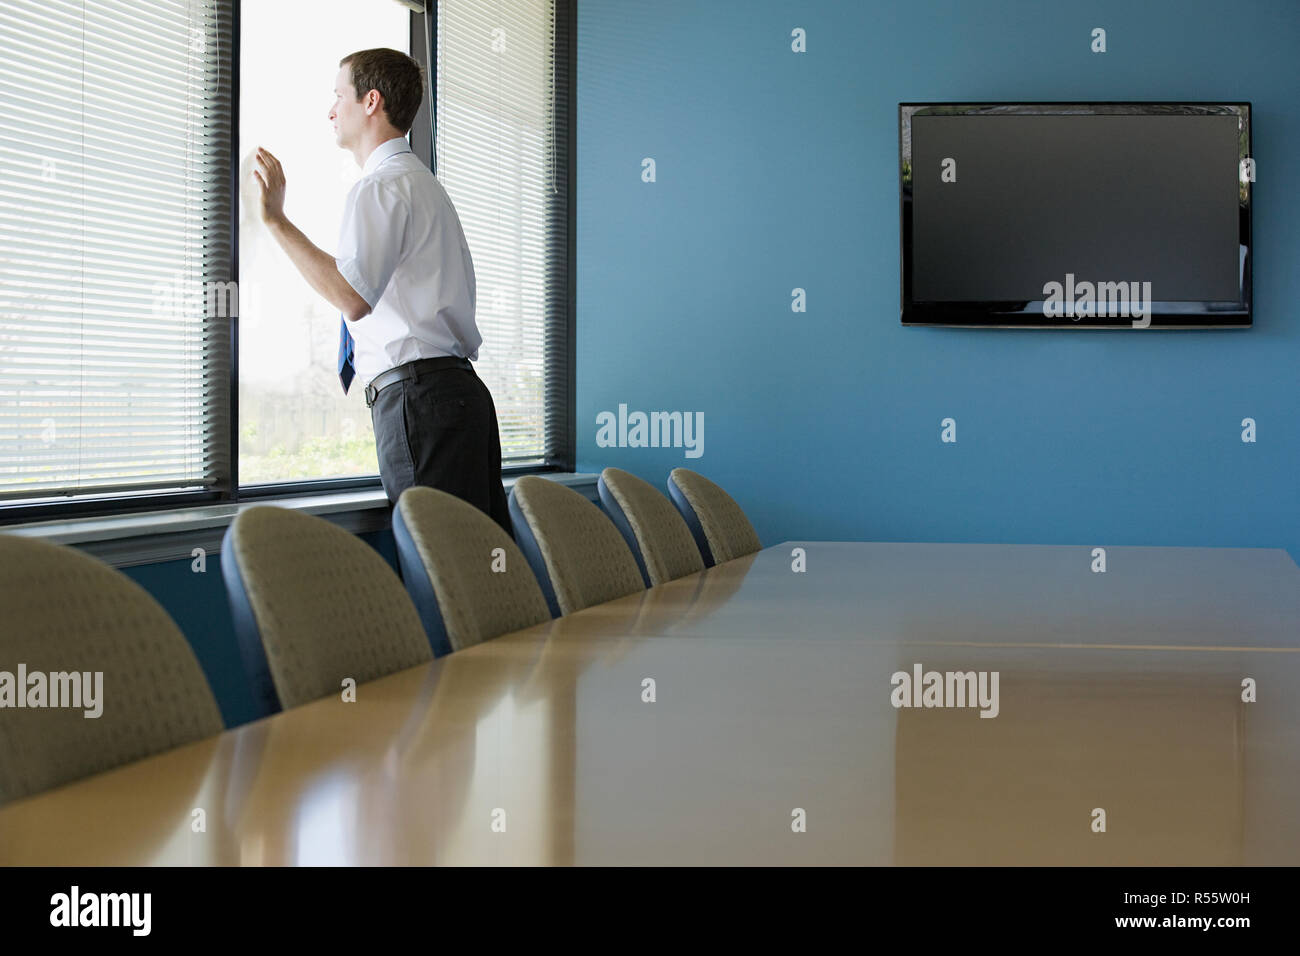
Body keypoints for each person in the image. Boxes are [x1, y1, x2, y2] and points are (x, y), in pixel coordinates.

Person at [251, 47, 511, 536]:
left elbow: (353, 296)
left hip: (421, 400)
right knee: (477, 573)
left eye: (338, 96)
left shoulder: (381, 188)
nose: (331, 110)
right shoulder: (424, 185)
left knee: (443, 570)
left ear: (371, 101)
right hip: (457, 396)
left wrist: (276, 220)